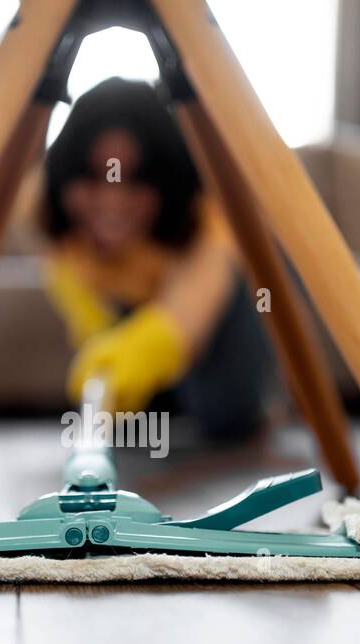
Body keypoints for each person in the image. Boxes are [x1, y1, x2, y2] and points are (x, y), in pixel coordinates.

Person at [40, 77, 271, 441]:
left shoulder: (204, 218)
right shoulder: (53, 220)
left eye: (137, 179)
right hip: (141, 323)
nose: (112, 201)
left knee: (225, 415)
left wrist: (144, 350)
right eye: (92, 176)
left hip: (213, 313)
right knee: (131, 422)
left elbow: (191, 304)